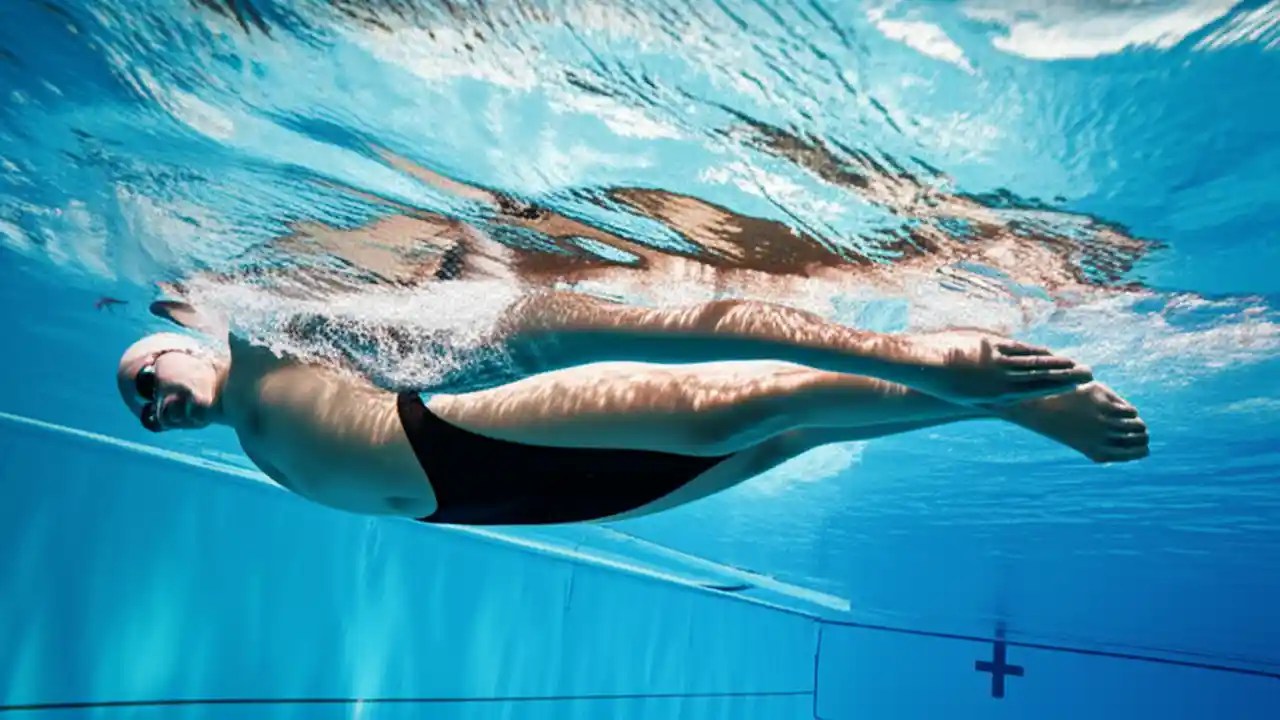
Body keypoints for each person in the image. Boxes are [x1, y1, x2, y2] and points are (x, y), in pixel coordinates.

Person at [115, 291, 1148, 526]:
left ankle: (959, 365)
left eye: (146, 384)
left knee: (721, 415)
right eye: (143, 414)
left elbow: (509, 325)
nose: (154, 408)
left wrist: (206, 301)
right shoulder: (249, 438)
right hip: (483, 502)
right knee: (762, 446)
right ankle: (1001, 408)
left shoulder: (248, 334)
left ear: (180, 337)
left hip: (445, 431)